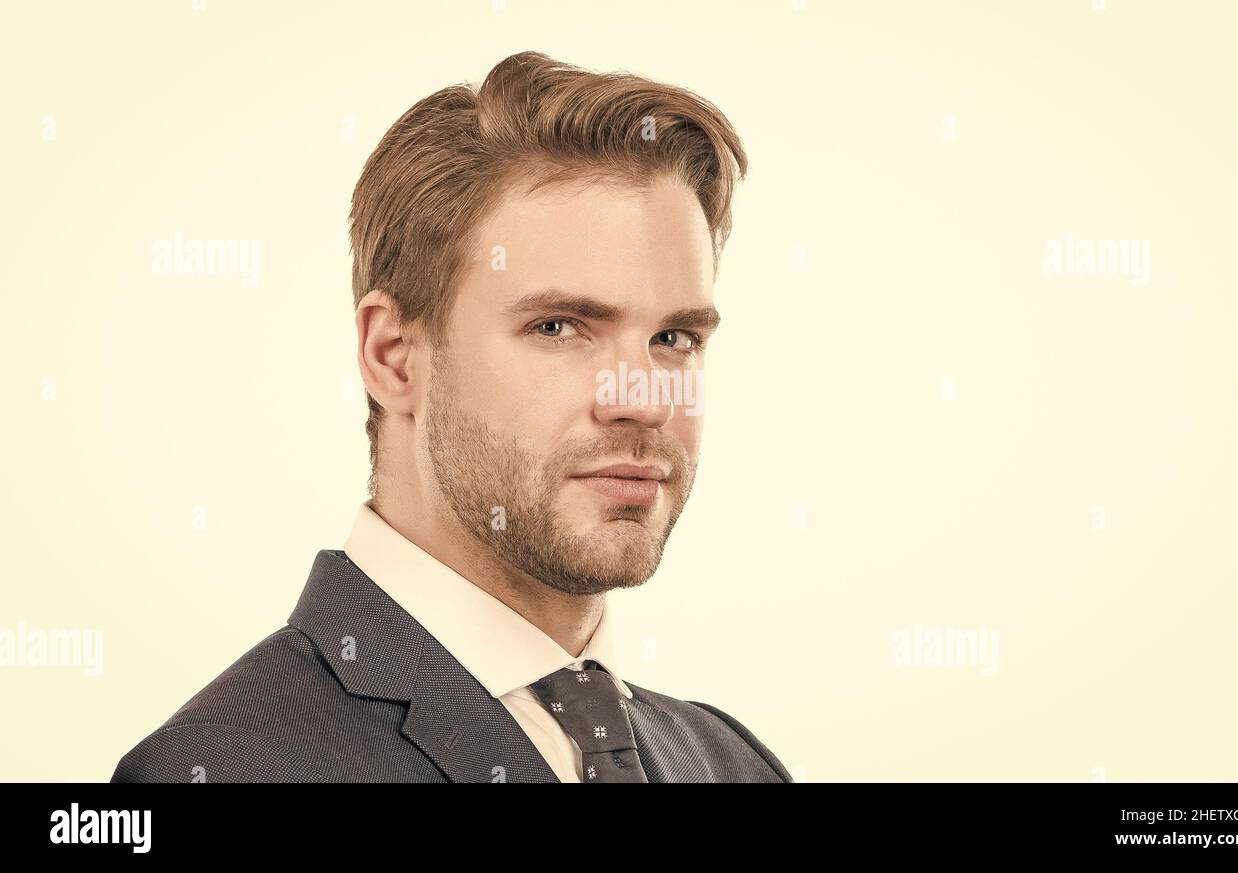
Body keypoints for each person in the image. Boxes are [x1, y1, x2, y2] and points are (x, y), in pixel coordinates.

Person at [111, 51, 790, 783]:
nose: (644, 398)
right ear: (394, 356)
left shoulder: (731, 764)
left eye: (673, 338)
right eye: (559, 327)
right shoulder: (221, 767)